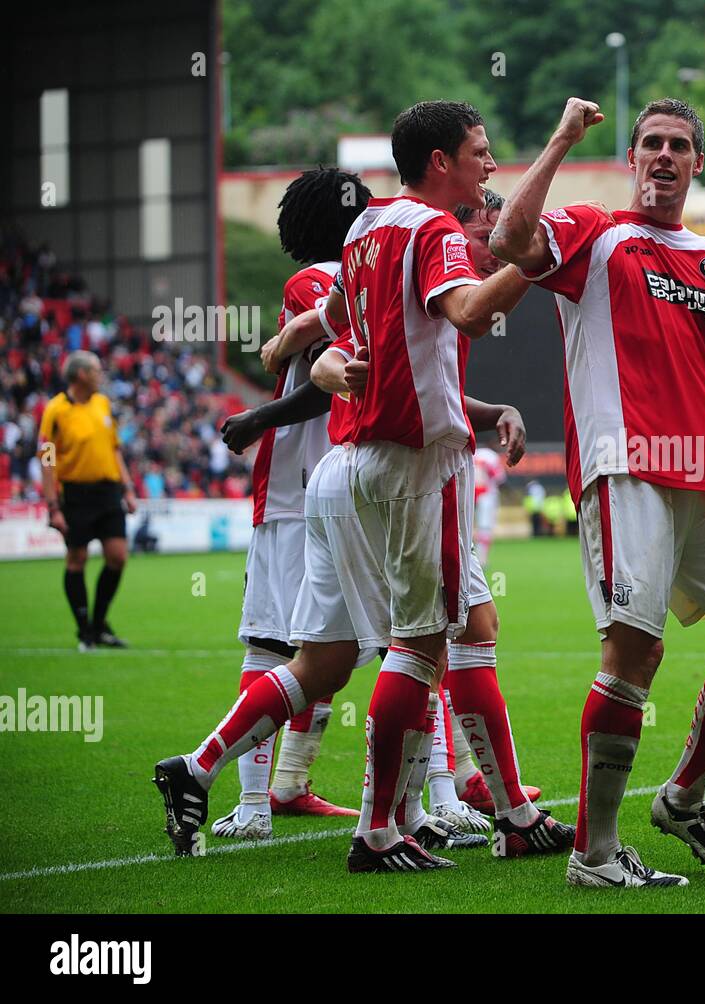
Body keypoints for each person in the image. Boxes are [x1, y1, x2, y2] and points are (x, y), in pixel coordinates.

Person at [154, 105, 572, 872]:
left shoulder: (364, 229)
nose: (488, 170)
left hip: (341, 473)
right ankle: (412, 819)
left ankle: (202, 767)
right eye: (479, 155)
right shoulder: (435, 233)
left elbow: (344, 316)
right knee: (437, 642)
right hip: (410, 466)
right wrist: (537, 262)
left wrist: (303, 347)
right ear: (441, 162)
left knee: (327, 660)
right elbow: (471, 316)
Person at [492, 96, 705, 887]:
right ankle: (595, 854)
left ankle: (681, 797)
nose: (665, 156)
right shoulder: (593, 232)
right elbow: (508, 240)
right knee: (634, 652)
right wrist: (564, 136)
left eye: (680, 145)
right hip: (629, 463)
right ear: (634, 158)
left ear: (697, 164)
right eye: (652, 144)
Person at [199, 168, 373, 841]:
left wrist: (259, 410)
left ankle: (270, 796)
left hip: (307, 489)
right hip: (318, 489)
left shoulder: (322, 280)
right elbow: (339, 369)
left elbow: (329, 363)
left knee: (294, 645)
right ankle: (270, 795)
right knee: (301, 646)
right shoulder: (344, 277)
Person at [39, 350, 138, 650]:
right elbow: (47, 458)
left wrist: (127, 487)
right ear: (81, 375)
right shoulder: (56, 410)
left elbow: (114, 449)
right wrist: (53, 505)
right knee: (77, 559)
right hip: (76, 494)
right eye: (96, 370)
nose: (100, 374)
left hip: (108, 492)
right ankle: (84, 632)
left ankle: (99, 626)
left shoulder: (102, 403)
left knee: (118, 556)